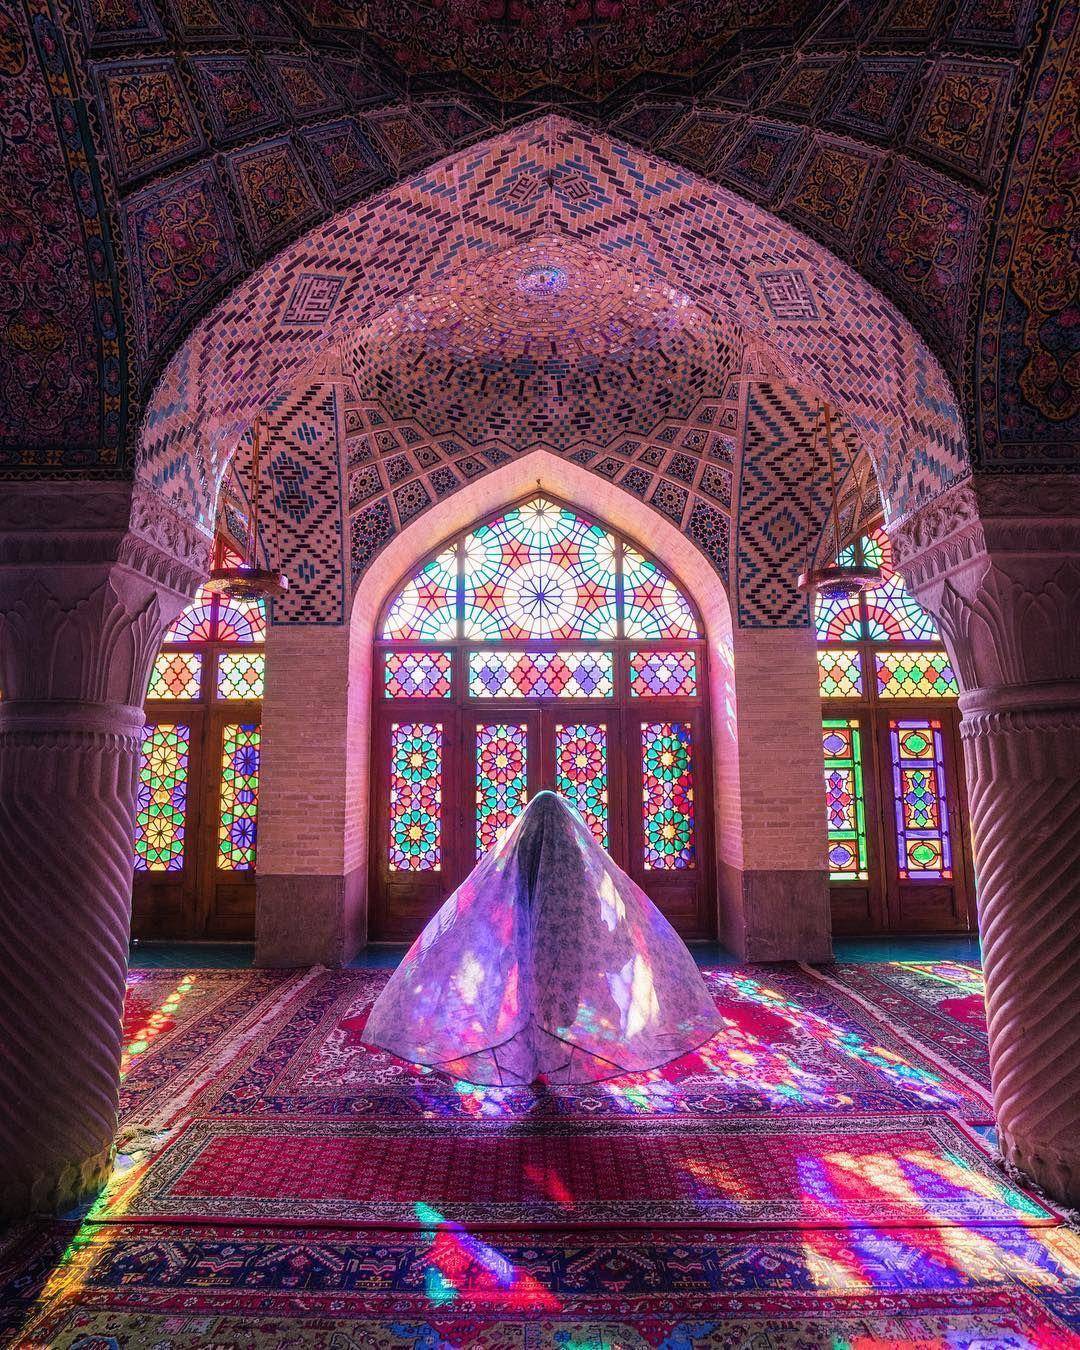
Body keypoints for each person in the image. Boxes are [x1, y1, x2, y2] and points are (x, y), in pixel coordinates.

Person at [363, 790, 722, 1085]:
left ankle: (534, 1059)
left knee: (530, 998)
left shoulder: (520, 856)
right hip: (564, 951)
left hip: (529, 951)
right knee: (558, 1004)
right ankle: (554, 1059)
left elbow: (501, 903)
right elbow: (589, 905)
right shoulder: (572, 862)